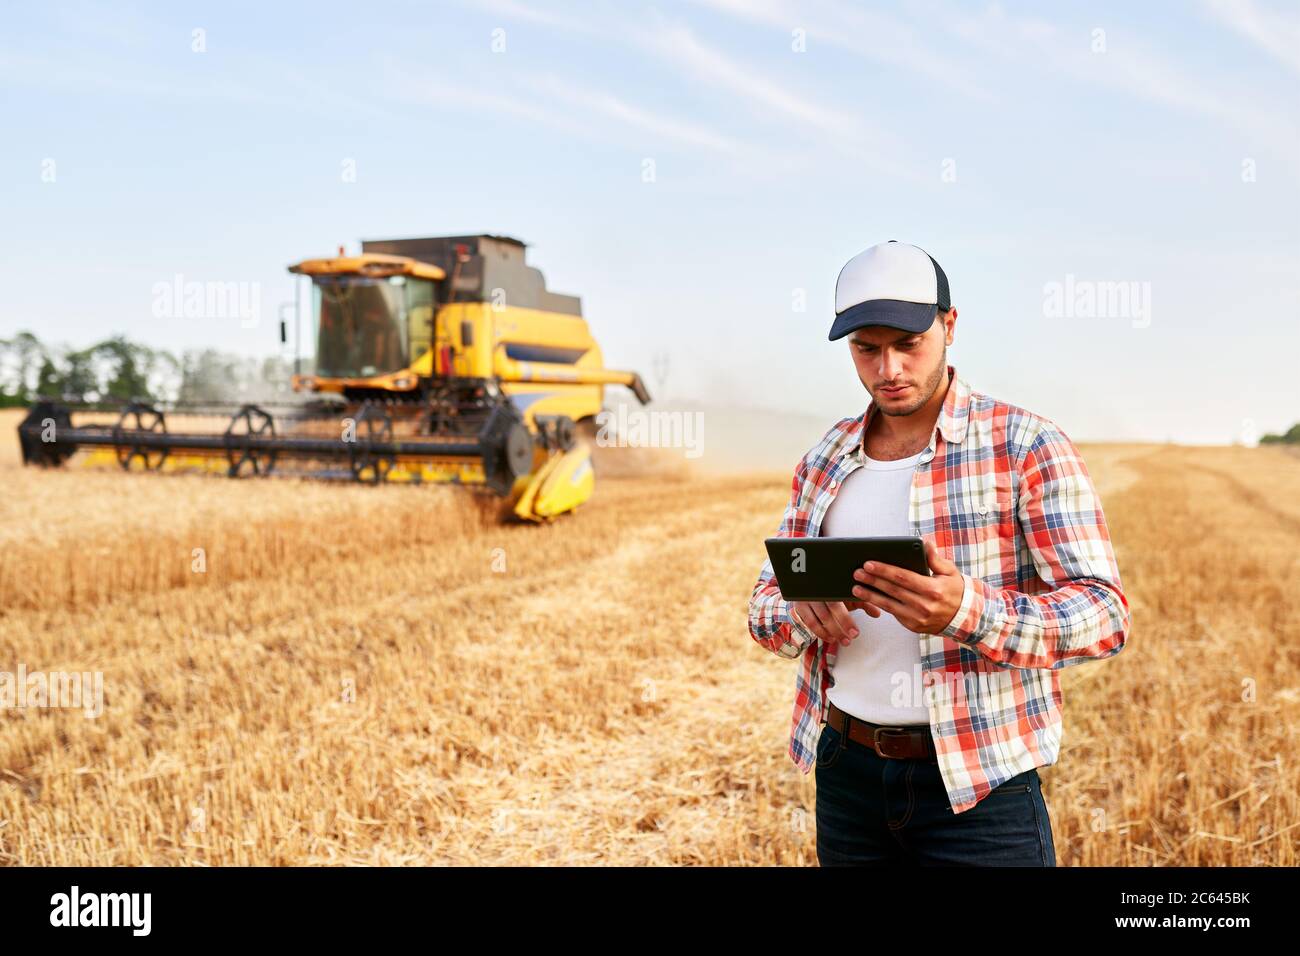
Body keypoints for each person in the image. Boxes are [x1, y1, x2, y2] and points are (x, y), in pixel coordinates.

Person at [747, 240, 1132, 866]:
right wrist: (800, 611)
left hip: (980, 787)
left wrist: (965, 610)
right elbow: (764, 605)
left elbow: (1105, 615)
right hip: (846, 775)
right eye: (866, 349)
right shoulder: (825, 458)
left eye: (908, 344)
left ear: (949, 326)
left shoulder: (1026, 444)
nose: (888, 369)